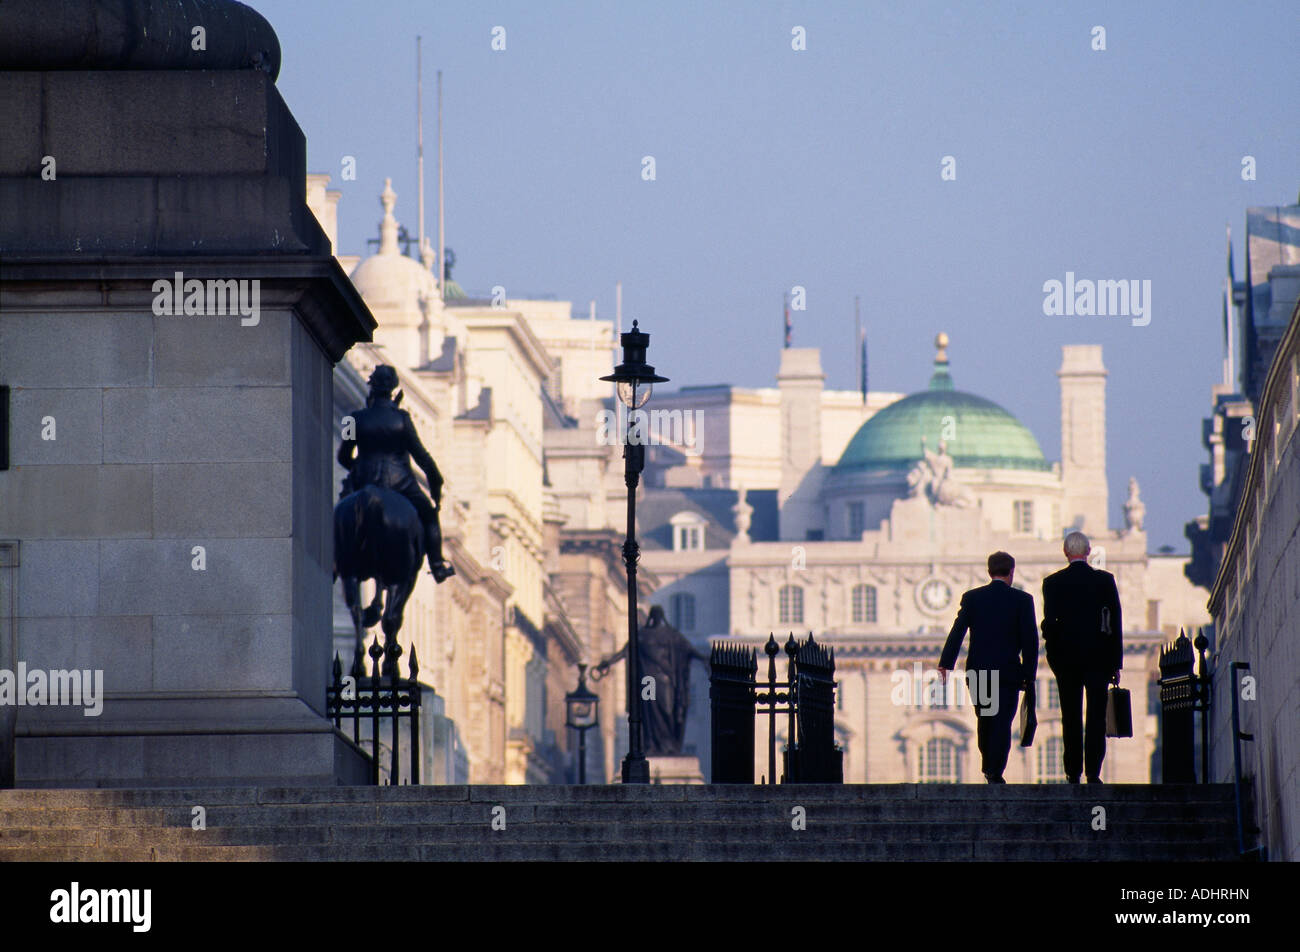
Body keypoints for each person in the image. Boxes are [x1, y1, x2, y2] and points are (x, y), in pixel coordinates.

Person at [338, 365, 455, 583]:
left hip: (363, 480)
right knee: (429, 516)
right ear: (393, 389)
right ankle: (437, 565)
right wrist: (436, 484)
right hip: (400, 483)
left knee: (338, 512)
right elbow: (421, 456)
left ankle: (334, 560)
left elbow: (342, 456)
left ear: (371, 386)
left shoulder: (351, 419)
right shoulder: (402, 419)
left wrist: (358, 468)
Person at [938, 551, 1038, 783]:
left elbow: (957, 632)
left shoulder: (973, 598)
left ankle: (988, 766)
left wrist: (946, 663)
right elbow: (1030, 641)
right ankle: (995, 771)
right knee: (1003, 722)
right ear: (1011, 572)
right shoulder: (1022, 600)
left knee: (985, 719)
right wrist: (1029, 675)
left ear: (989, 572)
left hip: (979, 673)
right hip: (1008, 674)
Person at [1040, 531, 1122, 783]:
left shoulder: (1052, 583)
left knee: (1070, 716)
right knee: (1096, 716)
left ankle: (1072, 771)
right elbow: (1114, 624)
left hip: (1065, 661)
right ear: (1088, 552)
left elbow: (1049, 625)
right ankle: (1093, 772)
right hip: (1098, 659)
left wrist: (1053, 656)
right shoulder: (1105, 581)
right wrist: (1115, 662)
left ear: (1065, 553)